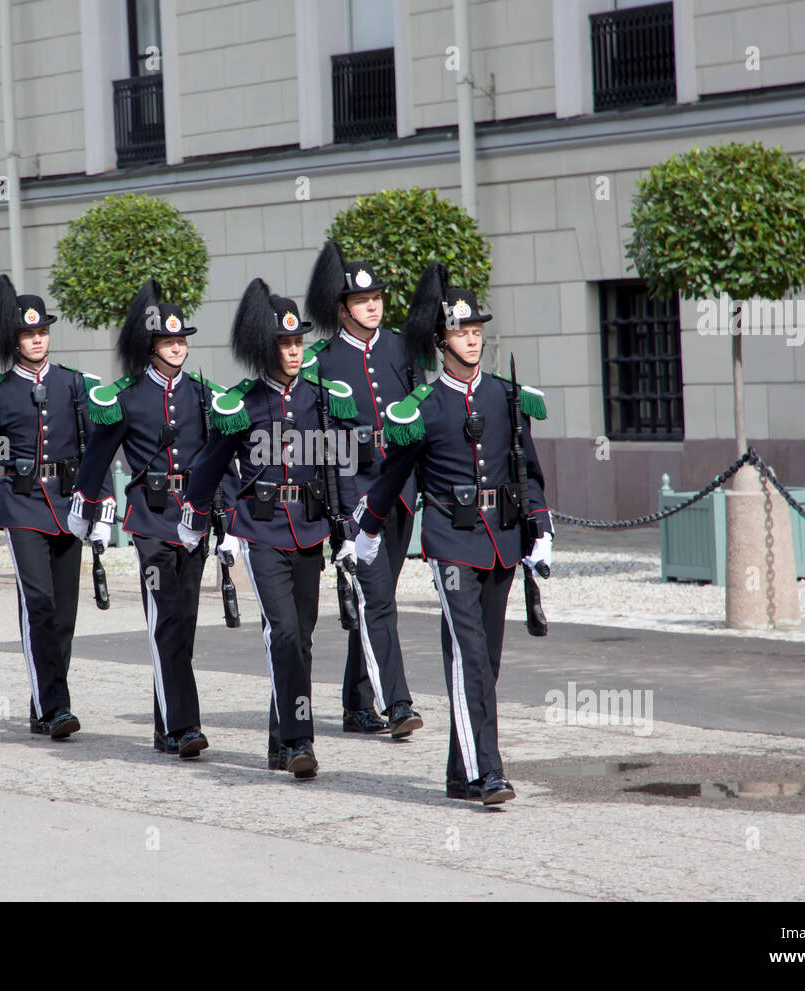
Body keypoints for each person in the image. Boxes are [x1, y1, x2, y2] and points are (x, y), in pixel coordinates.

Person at [353, 263, 554, 806]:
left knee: (485, 658)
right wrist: (369, 530)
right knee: (470, 656)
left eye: (477, 332)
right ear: (440, 340)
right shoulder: (423, 409)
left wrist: (540, 529)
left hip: (502, 540)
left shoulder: (506, 397)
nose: (472, 340)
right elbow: (393, 474)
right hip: (450, 540)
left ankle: (458, 773)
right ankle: (489, 771)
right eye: (461, 332)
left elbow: (527, 471)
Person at [178, 278, 360, 780]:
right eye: (285, 343)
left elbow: (340, 467)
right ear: (267, 347)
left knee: (302, 638)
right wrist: (200, 521)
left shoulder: (324, 400)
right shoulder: (241, 403)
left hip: (311, 527)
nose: (295, 351)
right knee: (281, 632)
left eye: (299, 342)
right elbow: (209, 467)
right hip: (260, 529)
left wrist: (349, 532)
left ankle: (280, 740)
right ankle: (301, 740)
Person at [67, 279, 235, 760]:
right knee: (165, 620)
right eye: (168, 341)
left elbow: (218, 461)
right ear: (151, 346)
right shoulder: (127, 396)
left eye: (182, 340)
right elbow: (97, 456)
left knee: (183, 621)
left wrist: (230, 524)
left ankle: (165, 726)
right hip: (150, 522)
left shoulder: (205, 395)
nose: (177, 348)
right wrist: (92, 507)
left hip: (195, 521)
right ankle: (185, 727)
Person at [0, 275, 104, 740]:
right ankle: (57, 706)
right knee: (39, 605)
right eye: (29, 334)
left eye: (42, 333)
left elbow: (97, 447)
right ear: (15, 340)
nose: (37, 340)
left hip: (68, 505)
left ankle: (42, 702)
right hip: (22, 505)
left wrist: (102, 502)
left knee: (65, 613)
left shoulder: (75, 385)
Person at [304, 240, 423, 739]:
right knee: (378, 600)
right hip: (355, 494)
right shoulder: (322, 360)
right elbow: (313, 441)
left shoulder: (402, 348)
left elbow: (421, 419)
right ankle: (397, 703)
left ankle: (356, 704)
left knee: (379, 596)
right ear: (342, 309)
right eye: (361, 300)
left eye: (377, 297)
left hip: (401, 491)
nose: (373, 305)